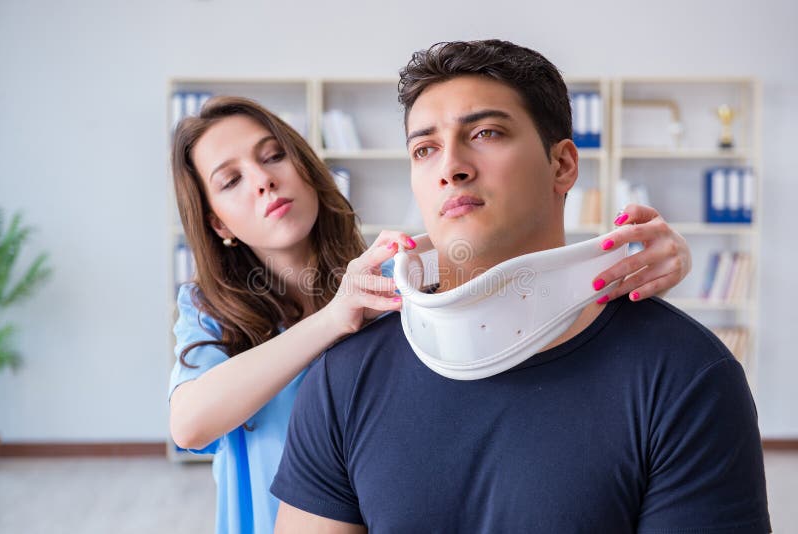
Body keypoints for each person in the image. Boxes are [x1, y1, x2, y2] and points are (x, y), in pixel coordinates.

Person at [270, 40, 770, 533]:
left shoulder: (686, 375)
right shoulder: (345, 379)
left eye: (486, 132)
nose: (451, 168)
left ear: (563, 166)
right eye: (425, 149)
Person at [168, 96, 691, 534]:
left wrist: (644, 254)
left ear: (304, 166)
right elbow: (189, 425)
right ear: (218, 223)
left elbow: (510, 261)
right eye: (231, 180)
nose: (263, 181)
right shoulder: (210, 312)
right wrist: (333, 319)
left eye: (274, 156)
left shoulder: (396, 272)